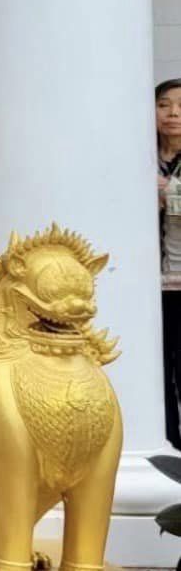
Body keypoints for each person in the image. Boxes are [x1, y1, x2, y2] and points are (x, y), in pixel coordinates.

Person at [158, 79, 181, 450]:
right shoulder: (140, 154)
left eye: (180, 106)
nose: (173, 113)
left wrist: (170, 193)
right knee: (156, 366)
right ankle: (165, 441)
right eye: (163, 105)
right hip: (146, 281)